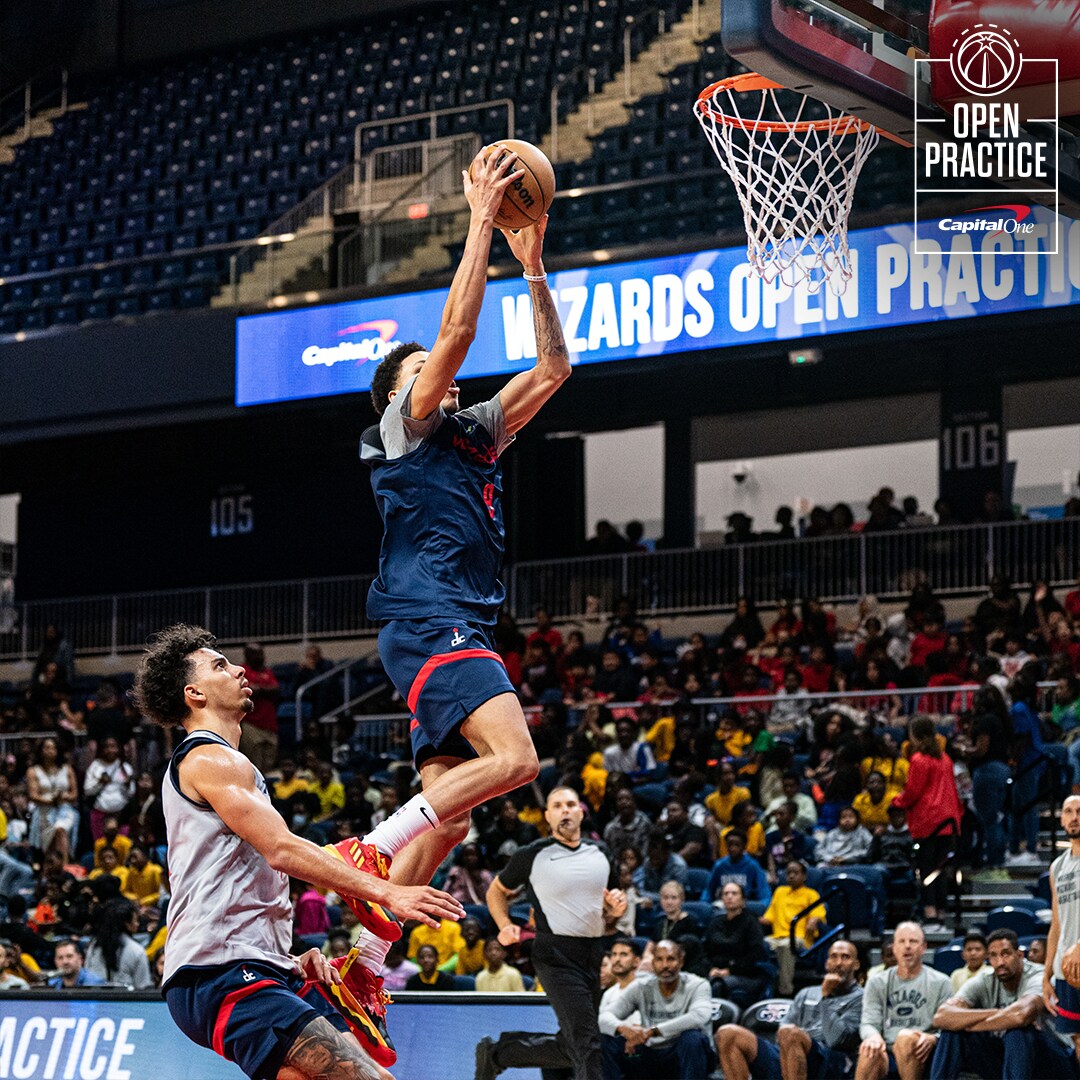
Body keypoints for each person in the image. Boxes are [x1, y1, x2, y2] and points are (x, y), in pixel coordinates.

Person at [357, 148, 572, 972]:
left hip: (447, 619)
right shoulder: (401, 429)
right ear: (401, 394)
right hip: (427, 616)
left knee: (451, 820)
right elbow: (455, 331)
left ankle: (366, 964)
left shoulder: (474, 431)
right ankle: (366, 851)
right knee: (515, 761)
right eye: (422, 375)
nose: (441, 378)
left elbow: (555, 368)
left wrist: (537, 269)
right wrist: (481, 214)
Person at [132, 624, 464, 1078]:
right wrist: (387, 893)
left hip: (260, 967)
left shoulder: (228, 763)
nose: (239, 669)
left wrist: (286, 955)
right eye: (220, 665)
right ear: (194, 693)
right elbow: (282, 851)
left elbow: (246, 880)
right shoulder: (210, 759)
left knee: (379, 1075)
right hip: (220, 973)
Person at [486, 786, 626, 1080]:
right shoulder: (531, 855)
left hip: (593, 953)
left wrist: (615, 910)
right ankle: (500, 1053)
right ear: (547, 815)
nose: (565, 810)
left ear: (580, 812)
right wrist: (504, 925)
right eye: (557, 805)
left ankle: (501, 1053)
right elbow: (496, 891)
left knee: (574, 1044)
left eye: (570, 804)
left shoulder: (601, 853)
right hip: (555, 955)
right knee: (588, 1043)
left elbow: (611, 908)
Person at [930, 928, 1073, 1079]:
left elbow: (1020, 1016)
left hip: (1053, 1059)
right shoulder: (985, 980)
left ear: (1019, 955)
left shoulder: (1038, 976)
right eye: (993, 956)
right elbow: (941, 1017)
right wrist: (998, 1013)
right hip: (1010, 1060)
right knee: (951, 1030)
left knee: (1018, 1033)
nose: (1000, 962)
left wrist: (968, 1023)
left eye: (1005, 954)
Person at [716, 938, 865, 1080]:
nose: (838, 963)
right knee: (728, 1033)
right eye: (833, 957)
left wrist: (825, 998)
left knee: (791, 1034)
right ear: (826, 963)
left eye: (845, 957)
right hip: (793, 1053)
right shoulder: (806, 993)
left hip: (832, 1061)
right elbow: (781, 1034)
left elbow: (838, 1040)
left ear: (856, 964)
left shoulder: (861, 997)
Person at [599, 940, 715, 1079]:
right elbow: (604, 1017)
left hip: (682, 1054)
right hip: (651, 1054)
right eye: (659, 959)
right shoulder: (641, 986)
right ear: (652, 963)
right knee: (606, 1040)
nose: (665, 965)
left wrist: (653, 1031)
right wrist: (624, 1029)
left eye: (670, 959)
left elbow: (700, 1017)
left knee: (693, 1038)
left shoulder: (698, 984)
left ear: (681, 961)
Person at [892, 717, 962, 933]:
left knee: (927, 869)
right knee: (940, 869)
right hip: (948, 819)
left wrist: (896, 801)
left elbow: (913, 792)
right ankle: (941, 913)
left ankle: (931, 915)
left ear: (914, 734)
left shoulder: (919, 759)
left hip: (928, 820)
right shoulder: (945, 758)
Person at [856, 922, 951, 1080]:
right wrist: (873, 1037)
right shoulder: (876, 982)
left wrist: (934, 1038)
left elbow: (949, 1026)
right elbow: (868, 1023)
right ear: (894, 948)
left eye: (913, 941)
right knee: (869, 1051)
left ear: (923, 947)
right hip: (888, 1052)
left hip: (925, 1052)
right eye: (901, 941)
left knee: (905, 1038)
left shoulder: (941, 982)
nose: (907, 946)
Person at [1045, 794, 1080, 1055]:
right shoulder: (1057, 866)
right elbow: (1056, 923)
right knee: (1077, 1039)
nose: (1074, 817)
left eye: (1079, 811)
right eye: (1068, 811)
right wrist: (1047, 974)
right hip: (1066, 969)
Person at [761, 859, 826, 997]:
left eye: (795, 873)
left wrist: (814, 920)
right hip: (776, 937)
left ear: (804, 876)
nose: (791, 876)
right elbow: (768, 918)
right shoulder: (779, 892)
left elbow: (819, 914)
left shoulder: (811, 894)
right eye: (788, 872)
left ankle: (785, 992)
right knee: (758, 944)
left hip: (800, 939)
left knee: (786, 945)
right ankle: (762, 988)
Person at [702, 881, 770, 1007]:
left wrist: (729, 970)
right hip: (716, 972)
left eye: (734, 893)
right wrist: (711, 968)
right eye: (726, 893)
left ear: (743, 899)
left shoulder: (751, 923)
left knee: (718, 984)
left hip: (745, 975)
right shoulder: (715, 922)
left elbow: (755, 954)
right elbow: (704, 951)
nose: (729, 896)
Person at [26, 736, 79, 863]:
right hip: (44, 810)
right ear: (41, 751)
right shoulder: (33, 771)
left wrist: (63, 797)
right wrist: (51, 800)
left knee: (60, 830)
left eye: (53, 748)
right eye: (47, 748)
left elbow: (74, 794)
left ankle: (64, 866)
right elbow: (33, 796)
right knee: (49, 843)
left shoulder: (67, 769)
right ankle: (51, 868)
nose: (50, 751)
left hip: (65, 810)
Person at [85, 898, 154, 989]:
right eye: (136, 920)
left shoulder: (94, 946)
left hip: (95, 1000)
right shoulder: (136, 950)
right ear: (127, 924)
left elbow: (87, 977)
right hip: (126, 1001)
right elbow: (143, 986)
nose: (137, 924)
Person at [702, 829, 772, 916]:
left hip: (745, 906)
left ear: (744, 846)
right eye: (730, 845)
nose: (733, 848)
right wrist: (704, 905)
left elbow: (764, 892)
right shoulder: (719, 865)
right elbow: (709, 890)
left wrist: (762, 908)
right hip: (723, 906)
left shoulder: (752, 865)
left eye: (737, 845)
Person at [236, 642, 281, 775]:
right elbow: (247, 692)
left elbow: (276, 690)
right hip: (251, 723)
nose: (261, 656)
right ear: (248, 655)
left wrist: (259, 690)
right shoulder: (242, 672)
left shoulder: (267, 672)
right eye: (257, 654)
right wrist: (264, 690)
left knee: (269, 765)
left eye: (261, 653)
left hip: (269, 724)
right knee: (253, 765)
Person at [83, 736, 136, 840]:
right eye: (107, 747)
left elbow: (131, 793)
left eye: (113, 747)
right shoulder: (95, 766)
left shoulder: (125, 767)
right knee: (102, 847)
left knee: (121, 847)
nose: (110, 750)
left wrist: (127, 785)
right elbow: (87, 790)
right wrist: (100, 783)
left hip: (120, 815)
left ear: (119, 749)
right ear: (102, 749)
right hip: (100, 815)